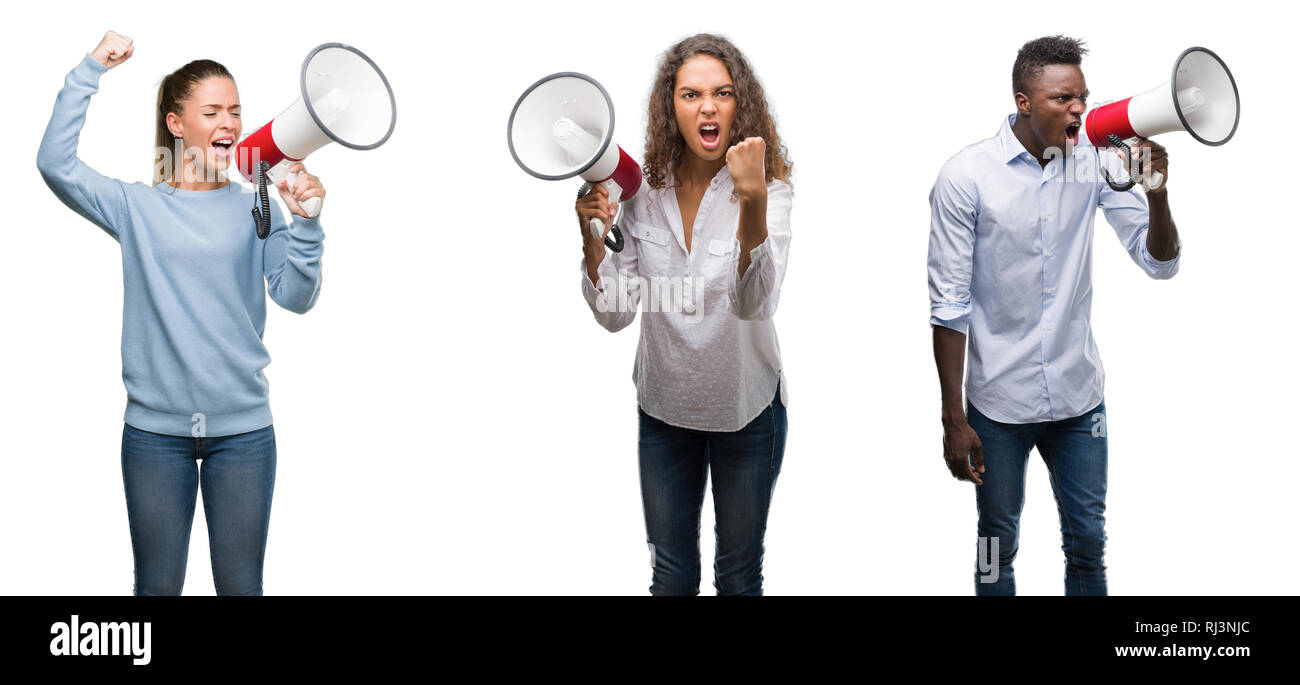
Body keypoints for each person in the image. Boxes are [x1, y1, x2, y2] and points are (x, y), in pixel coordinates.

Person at [37, 31, 327, 595]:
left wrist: (309, 226)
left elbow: (295, 296)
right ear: (176, 124)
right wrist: (90, 69)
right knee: (156, 588)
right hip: (154, 436)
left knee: (241, 587)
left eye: (236, 112)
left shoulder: (258, 205)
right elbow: (54, 163)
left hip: (243, 434)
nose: (230, 123)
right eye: (212, 110)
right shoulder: (135, 208)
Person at [928, 35, 1181, 596]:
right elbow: (948, 305)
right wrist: (952, 415)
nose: (1078, 110)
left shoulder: (1093, 164)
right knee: (996, 540)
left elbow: (1159, 263)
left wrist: (1157, 195)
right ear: (1023, 101)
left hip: (1077, 399)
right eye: (1062, 98)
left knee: (1088, 543)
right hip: (997, 405)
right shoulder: (966, 177)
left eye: (1081, 98)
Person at [577, 33, 793, 596]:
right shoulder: (640, 192)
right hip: (665, 410)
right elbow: (613, 314)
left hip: (746, 414)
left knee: (739, 578)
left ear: (738, 104)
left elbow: (756, 302)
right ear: (670, 107)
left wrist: (752, 203)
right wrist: (592, 238)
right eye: (691, 94)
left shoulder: (767, 187)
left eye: (722, 93)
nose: (707, 106)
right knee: (671, 577)